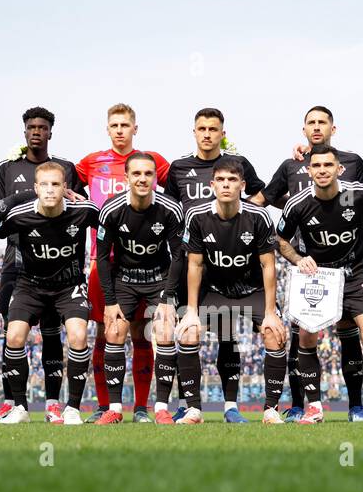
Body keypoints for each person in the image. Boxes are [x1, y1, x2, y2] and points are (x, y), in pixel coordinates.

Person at [261, 105, 363, 420]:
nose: (317, 126)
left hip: (347, 265)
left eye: (323, 122)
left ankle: (357, 406)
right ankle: (301, 405)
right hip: (307, 266)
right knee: (302, 335)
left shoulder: (352, 162)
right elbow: (268, 198)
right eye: (311, 122)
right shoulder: (290, 165)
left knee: (350, 335)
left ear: (333, 129)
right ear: (303, 129)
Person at [274, 143, 363, 424]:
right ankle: (314, 408)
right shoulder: (298, 203)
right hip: (318, 279)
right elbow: (279, 240)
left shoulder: (356, 193)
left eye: (328, 165)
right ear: (309, 169)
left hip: (354, 275)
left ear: (339, 169)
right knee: (306, 337)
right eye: (317, 165)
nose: (322, 170)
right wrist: (298, 258)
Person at [0, 106, 86, 422]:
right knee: (12, 331)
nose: (36, 132)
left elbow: (81, 211)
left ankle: (54, 402)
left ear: (50, 132)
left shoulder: (66, 169)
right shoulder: (7, 168)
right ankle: (12, 402)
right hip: (18, 263)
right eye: (31, 127)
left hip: (59, 266)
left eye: (42, 127)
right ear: (24, 130)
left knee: (53, 332)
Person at [175, 156, 288, 424]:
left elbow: (267, 265)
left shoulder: (258, 216)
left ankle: (271, 410)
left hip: (252, 289)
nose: (226, 185)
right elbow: (194, 265)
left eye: (232, 180)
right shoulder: (197, 215)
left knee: (274, 333)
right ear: (212, 184)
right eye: (221, 180)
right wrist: (191, 311)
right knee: (189, 331)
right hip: (215, 289)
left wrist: (271, 312)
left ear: (242, 185)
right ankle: (194, 410)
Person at [76, 104, 170, 422]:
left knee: (142, 333)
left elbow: (183, 186)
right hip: (103, 261)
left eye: (125, 125)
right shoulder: (91, 162)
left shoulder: (151, 161)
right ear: (107, 129)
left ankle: (141, 408)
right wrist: (76, 200)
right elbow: (59, 183)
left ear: (135, 128)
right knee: (106, 332)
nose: (119, 130)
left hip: (145, 261)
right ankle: (106, 407)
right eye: (114, 125)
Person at [95, 152, 186, 423]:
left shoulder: (170, 209)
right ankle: (115, 409)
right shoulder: (111, 209)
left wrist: (169, 298)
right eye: (136, 173)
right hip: (125, 279)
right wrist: (110, 301)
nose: (142, 179)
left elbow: (178, 256)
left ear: (155, 177)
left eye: (148, 173)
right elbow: (101, 257)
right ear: (126, 178)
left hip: (159, 278)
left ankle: (160, 408)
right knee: (114, 332)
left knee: (165, 332)